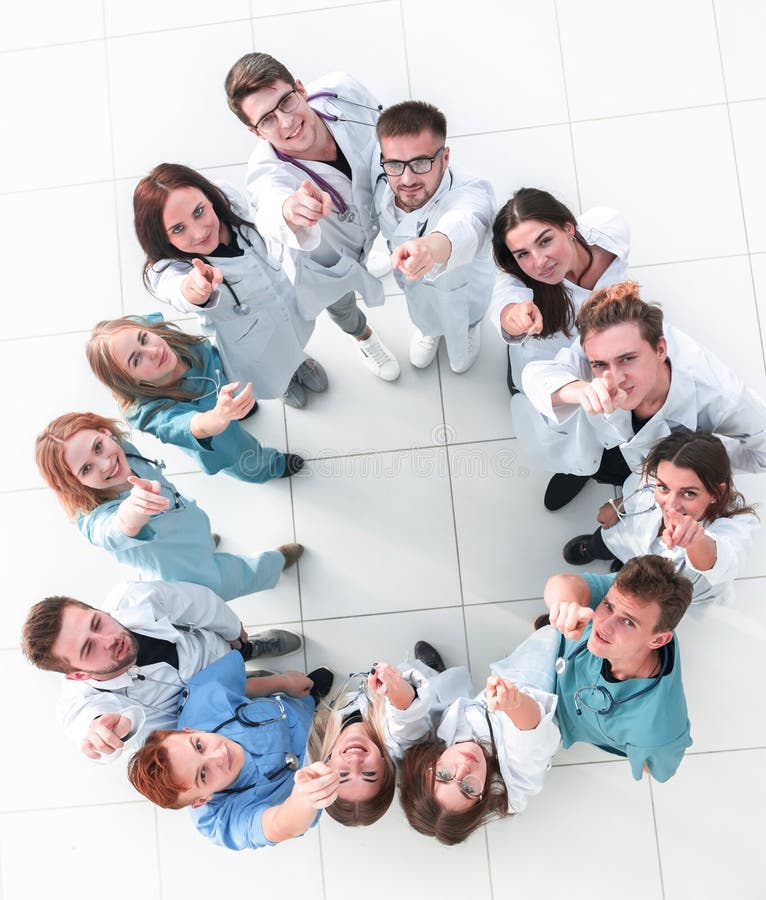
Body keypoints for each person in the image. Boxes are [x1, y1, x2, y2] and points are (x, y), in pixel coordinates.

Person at [224, 52, 400, 381]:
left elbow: (385, 128)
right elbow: (269, 206)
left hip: (374, 215)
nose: (287, 123)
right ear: (256, 132)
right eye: (267, 120)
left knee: (386, 244)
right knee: (342, 303)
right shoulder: (265, 171)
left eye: (287, 102)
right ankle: (365, 339)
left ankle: (368, 257)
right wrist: (289, 211)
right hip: (328, 256)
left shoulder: (341, 91)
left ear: (301, 89)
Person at [521, 281, 766, 502]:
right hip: (602, 441)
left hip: (658, 468)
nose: (616, 378)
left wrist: (699, 462)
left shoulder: (723, 396)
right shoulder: (600, 343)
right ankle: (583, 472)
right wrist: (581, 391)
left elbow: (762, 456)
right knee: (591, 463)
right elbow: (534, 377)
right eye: (600, 365)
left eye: (627, 359)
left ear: (660, 350)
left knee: (630, 494)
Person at [20, 581, 304, 761]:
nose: (109, 640)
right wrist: (98, 731)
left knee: (236, 650)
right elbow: (84, 726)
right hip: (201, 716)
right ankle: (256, 685)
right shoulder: (83, 702)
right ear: (77, 675)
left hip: (215, 654)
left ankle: (250, 649)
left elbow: (202, 604)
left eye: (97, 623)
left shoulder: (138, 599)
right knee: (246, 706)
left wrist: (232, 631)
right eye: (88, 649)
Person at [35, 412, 303, 601]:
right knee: (234, 579)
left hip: (187, 522)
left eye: (98, 447)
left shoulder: (121, 448)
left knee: (201, 536)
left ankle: (206, 544)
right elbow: (112, 530)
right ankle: (275, 563)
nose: (105, 464)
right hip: (183, 570)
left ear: (105, 432)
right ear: (74, 482)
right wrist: (132, 512)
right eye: (86, 468)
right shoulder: (93, 520)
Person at [134, 162, 327, 409]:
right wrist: (194, 289)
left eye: (199, 211)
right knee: (268, 363)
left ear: (209, 198)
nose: (198, 232)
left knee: (292, 336)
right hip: (246, 334)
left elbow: (263, 214)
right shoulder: (166, 270)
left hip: (279, 297)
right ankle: (283, 383)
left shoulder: (229, 200)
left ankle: (299, 361)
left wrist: (289, 213)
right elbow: (176, 289)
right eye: (178, 229)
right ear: (163, 237)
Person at [491, 188, 630, 510]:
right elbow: (505, 304)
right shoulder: (520, 284)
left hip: (606, 354)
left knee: (616, 418)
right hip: (548, 366)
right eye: (522, 254)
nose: (538, 262)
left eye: (544, 241)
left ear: (569, 227)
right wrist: (513, 316)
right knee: (563, 429)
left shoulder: (609, 229)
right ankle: (577, 468)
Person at [127, 650, 336, 851]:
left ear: (189, 730)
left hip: (294, 711)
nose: (219, 755)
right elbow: (279, 826)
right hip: (325, 766)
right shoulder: (219, 822)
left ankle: (311, 699)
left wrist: (283, 682)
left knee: (305, 699)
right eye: (203, 774)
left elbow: (236, 688)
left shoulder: (200, 702)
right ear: (202, 800)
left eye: (199, 745)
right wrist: (306, 796)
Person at [86, 315, 304, 483]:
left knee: (238, 399)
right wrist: (219, 417)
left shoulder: (161, 335)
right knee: (242, 457)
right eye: (136, 360)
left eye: (144, 338)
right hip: (215, 434)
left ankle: (240, 411)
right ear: (130, 382)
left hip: (222, 382)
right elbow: (189, 426)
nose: (152, 350)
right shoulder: (148, 413)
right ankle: (270, 467)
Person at [542, 554, 692, 781]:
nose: (604, 625)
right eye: (608, 606)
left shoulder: (658, 728)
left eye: (628, 622)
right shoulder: (631, 594)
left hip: (560, 722)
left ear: (658, 640)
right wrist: (565, 607)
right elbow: (561, 582)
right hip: (555, 660)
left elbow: (658, 769)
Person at [563, 432, 759, 604]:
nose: (670, 505)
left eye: (689, 493)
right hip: (625, 537)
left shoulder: (737, 525)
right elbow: (639, 487)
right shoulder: (656, 474)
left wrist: (696, 540)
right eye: (663, 488)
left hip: (660, 586)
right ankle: (593, 549)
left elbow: (724, 559)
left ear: (716, 491)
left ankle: (624, 568)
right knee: (603, 542)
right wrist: (618, 505)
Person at [374, 101, 495, 374]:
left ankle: (467, 331)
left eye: (420, 162)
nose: (406, 179)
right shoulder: (382, 175)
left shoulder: (472, 192)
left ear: (445, 156)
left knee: (464, 311)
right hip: (414, 281)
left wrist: (430, 247)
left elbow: (464, 224)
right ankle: (429, 328)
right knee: (422, 306)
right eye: (394, 164)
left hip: (462, 281)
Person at [398, 643, 560, 845]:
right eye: (467, 788)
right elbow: (530, 733)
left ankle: (435, 673)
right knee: (545, 646)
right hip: (536, 688)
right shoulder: (515, 775)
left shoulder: (438, 742)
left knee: (440, 695)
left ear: (429, 767)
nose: (464, 768)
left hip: (481, 705)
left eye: (445, 775)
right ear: (481, 799)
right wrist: (515, 704)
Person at [307, 640, 474, 826]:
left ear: (327, 764)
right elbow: (406, 719)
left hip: (342, 708)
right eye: (369, 773)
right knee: (428, 693)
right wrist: (397, 692)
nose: (355, 761)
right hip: (424, 701)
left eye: (343, 774)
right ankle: (432, 670)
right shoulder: (398, 741)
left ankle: (303, 702)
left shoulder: (312, 739)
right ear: (385, 765)